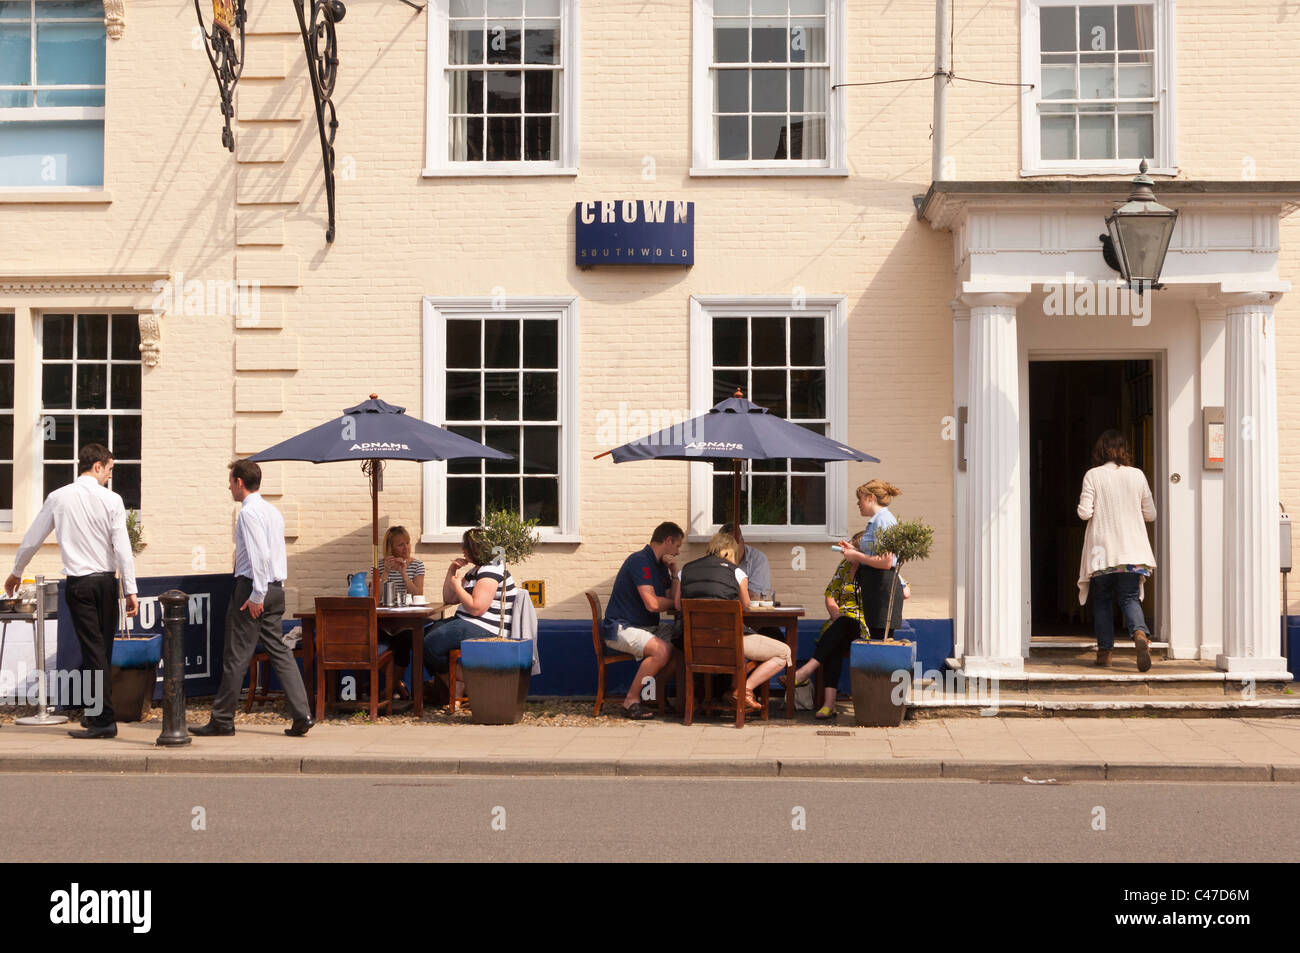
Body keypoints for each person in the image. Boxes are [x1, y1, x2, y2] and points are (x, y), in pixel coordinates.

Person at [6, 443, 139, 739]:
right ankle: (99, 716)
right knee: (102, 650)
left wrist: (17, 571)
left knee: (93, 651)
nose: (110, 475)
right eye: (109, 469)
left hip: (79, 585)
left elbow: (33, 538)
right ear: (97, 466)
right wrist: (130, 589)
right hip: (106, 583)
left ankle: (101, 718)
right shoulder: (112, 500)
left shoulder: (58, 497)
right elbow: (123, 548)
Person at [193, 460, 314, 737]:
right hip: (276, 589)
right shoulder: (273, 512)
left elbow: (260, 555)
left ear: (238, 482)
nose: (228, 487)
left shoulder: (248, 514)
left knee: (236, 655)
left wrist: (257, 595)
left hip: (253, 590)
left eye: (230, 481)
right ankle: (302, 714)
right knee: (280, 652)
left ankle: (222, 720)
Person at [673, 530, 792, 712]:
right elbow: (745, 606)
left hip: (694, 644)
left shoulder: (685, 570)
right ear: (729, 552)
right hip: (728, 642)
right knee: (784, 652)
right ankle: (744, 689)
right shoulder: (737, 573)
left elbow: (678, 605)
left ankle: (694, 706)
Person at [1076, 430, 1157, 670]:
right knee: (1129, 597)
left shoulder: (1093, 475)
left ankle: (1105, 653)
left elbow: (1084, 512)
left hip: (1103, 552)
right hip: (1131, 551)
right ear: (1124, 451)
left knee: (1101, 600)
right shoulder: (1137, 475)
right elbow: (1151, 514)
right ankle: (1140, 634)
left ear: (1100, 451)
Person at [602, 521, 684, 719]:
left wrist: (674, 574)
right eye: (678, 546)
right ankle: (631, 699)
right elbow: (653, 604)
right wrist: (674, 603)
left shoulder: (660, 566)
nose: (678, 551)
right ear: (668, 540)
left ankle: (653, 694)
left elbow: (670, 596)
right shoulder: (639, 561)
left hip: (645, 627)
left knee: (683, 643)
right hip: (621, 627)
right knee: (661, 650)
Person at [422, 527, 517, 680]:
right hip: (467, 622)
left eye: (466, 546)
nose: (462, 549)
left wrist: (458, 587)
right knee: (421, 637)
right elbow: (449, 599)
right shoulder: (475, 570)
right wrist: (451, 570)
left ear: (475, 548)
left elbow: (476, 608)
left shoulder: (491, 569)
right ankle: (455, 689)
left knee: (431, 644)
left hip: (486, 628)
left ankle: (466, 687)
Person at [379, 525, 424, 699]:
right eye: (400, 545)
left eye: (407, 543)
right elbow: (375, 596)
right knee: (379, 639)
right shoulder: (380, 566)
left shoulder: (417, 565)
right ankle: (396, 684)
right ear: (390, 547)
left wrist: (404, 574)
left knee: (404, 640)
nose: (406, 548)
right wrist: (386, 572)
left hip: (407, 620)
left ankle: (388, 690)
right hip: (385, 621)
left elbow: (418, 593)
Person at [718, 522, 771, 599]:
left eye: (733, 545)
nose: (729, 550)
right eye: (725, 546)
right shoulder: (716, 558)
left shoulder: (758, 559)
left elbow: (754, 595)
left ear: (742, 542)